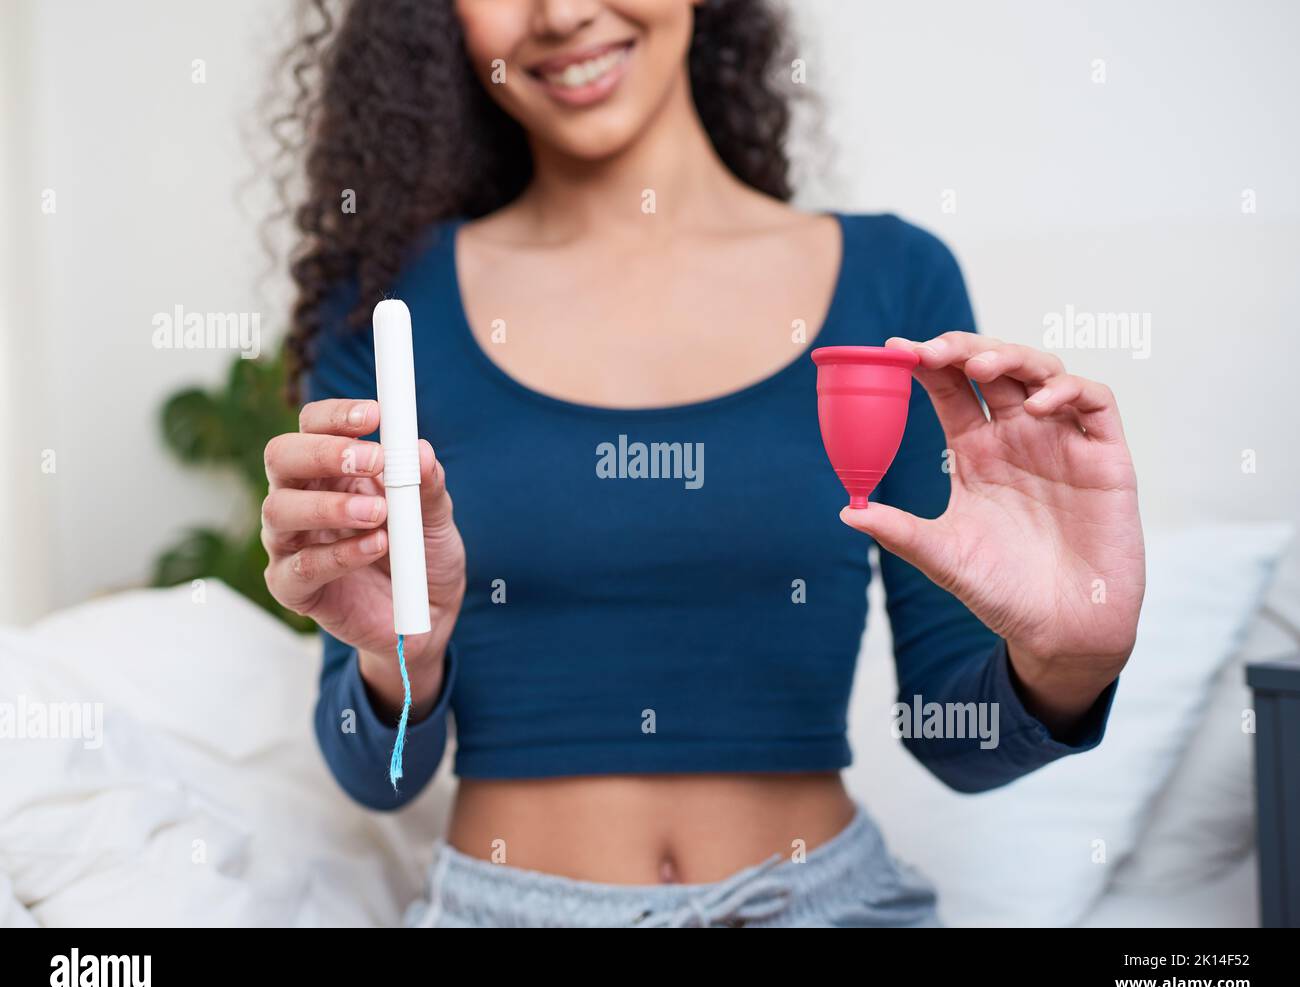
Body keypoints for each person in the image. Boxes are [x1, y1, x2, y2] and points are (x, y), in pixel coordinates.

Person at [261, 0, 1145, 927]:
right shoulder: (389, 311)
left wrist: (1066, 660)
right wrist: (405, 652)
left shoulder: (896, 275)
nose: (561, 13)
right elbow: (375, 773)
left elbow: (956, 746)